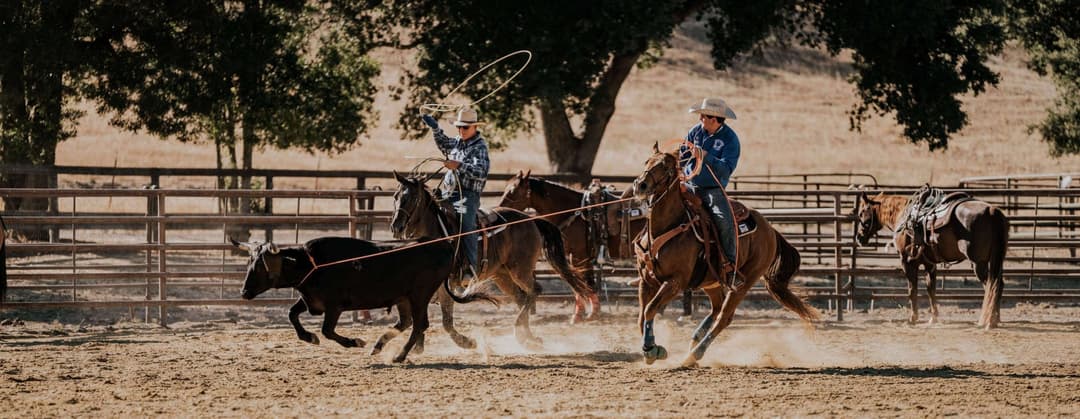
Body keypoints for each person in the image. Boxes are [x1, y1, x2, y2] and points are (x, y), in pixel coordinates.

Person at [421, 108, 490, 281]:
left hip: (467, 195)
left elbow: (480, 171)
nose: (461, 130)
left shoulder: (480, 147)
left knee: (466, 226)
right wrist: (435, 129)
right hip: (448, 192)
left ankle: (470, 269)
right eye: (459, 127)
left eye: (465, 128)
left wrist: (458, 165)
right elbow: (444, 143)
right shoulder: (459, 141)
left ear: (475, 127)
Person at [683, 98, 741, 286]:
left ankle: (731, 265)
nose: (700, 118)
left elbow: (726, 169)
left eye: (704, 116)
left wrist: (707, 157)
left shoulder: (730, 140)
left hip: (712, 189)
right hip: (689, 184)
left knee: (724, 221)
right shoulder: (696, 131)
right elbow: (683, 153)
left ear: (715, 119)